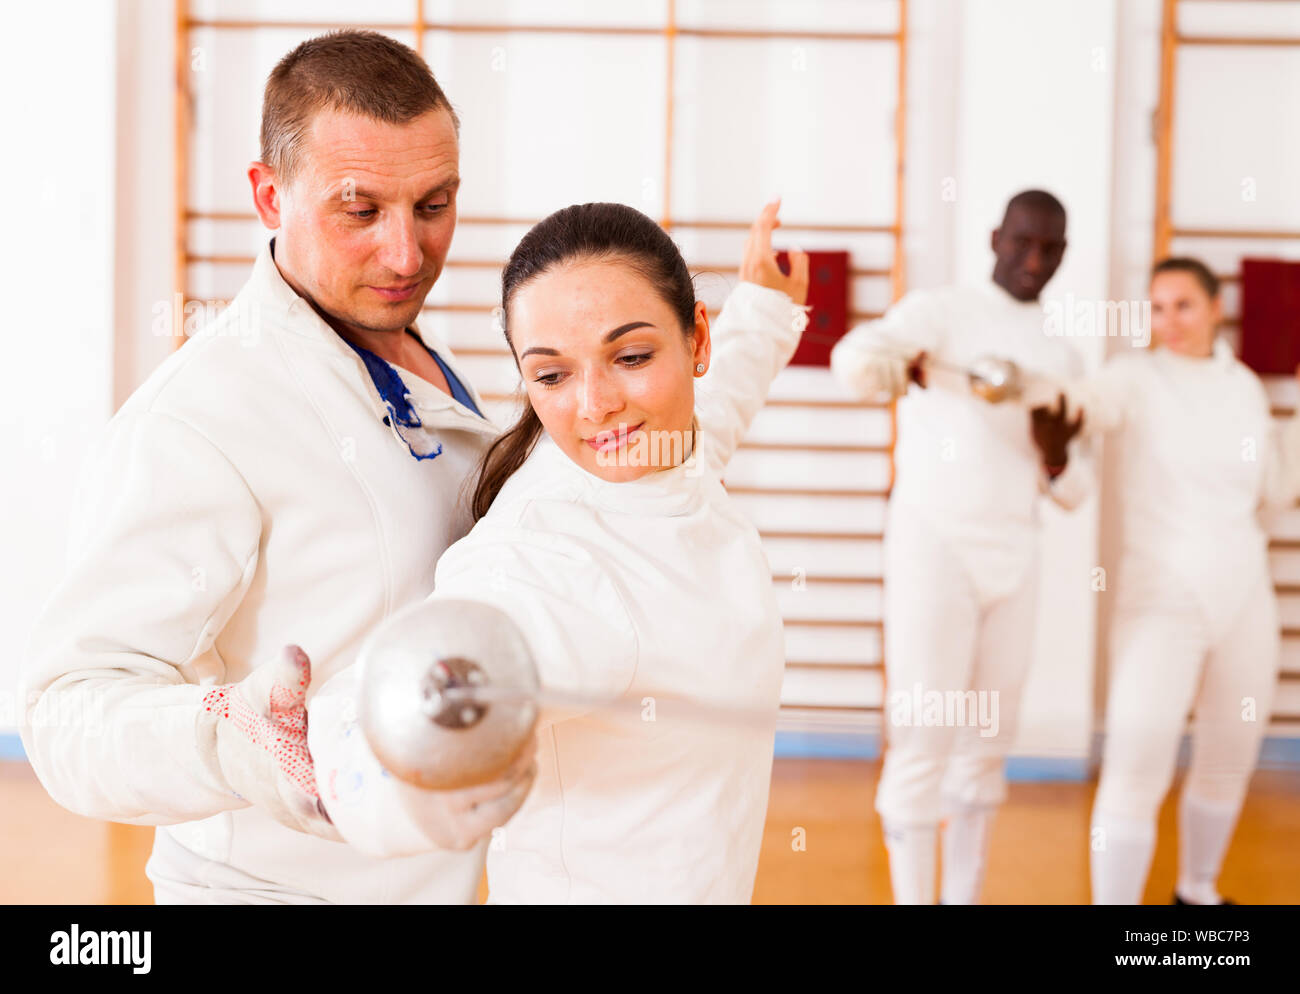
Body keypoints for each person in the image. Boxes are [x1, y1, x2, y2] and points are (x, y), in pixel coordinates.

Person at [20, 30, 538, 905]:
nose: (407, 255)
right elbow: (64, 711)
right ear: (268, 195)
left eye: (434, 203)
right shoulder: (200, 417)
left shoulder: (404, 343)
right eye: (360, 211)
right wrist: (226, 738)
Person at [307, 200, 812, 903]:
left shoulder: (658, 460)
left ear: (698, 339)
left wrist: (764, 312)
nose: (596, 404)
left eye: (631, 356)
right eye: (552, 376)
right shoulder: (547, 560)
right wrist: (381, 778)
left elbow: (709, 421)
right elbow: (379, 709)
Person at [829, 190, 1092, 904]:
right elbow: (854, 357)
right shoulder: (938, 313)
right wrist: (887, 365)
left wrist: (1057, 454)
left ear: (1065, 255)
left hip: (1018, 558)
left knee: (987, 746)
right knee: (922, 737)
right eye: (1023, 242)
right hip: (933, 548)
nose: (1034, 260)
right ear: (995, 237)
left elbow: (1075, 493)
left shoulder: (1063, 356)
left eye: (1051, 249)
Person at [1070, 258, 1300, 905]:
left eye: (1184, 306)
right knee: (1136, 760)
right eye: (1158, 307)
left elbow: (1277, 491)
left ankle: (1197, 892)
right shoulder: (1133, 379)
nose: (1169, 321)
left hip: (1245, 594)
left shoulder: (1245, 388)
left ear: (1216, 306)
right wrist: (1042, 401)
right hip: (1160, 595)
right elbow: (1084, 406)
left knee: (1230, 752)